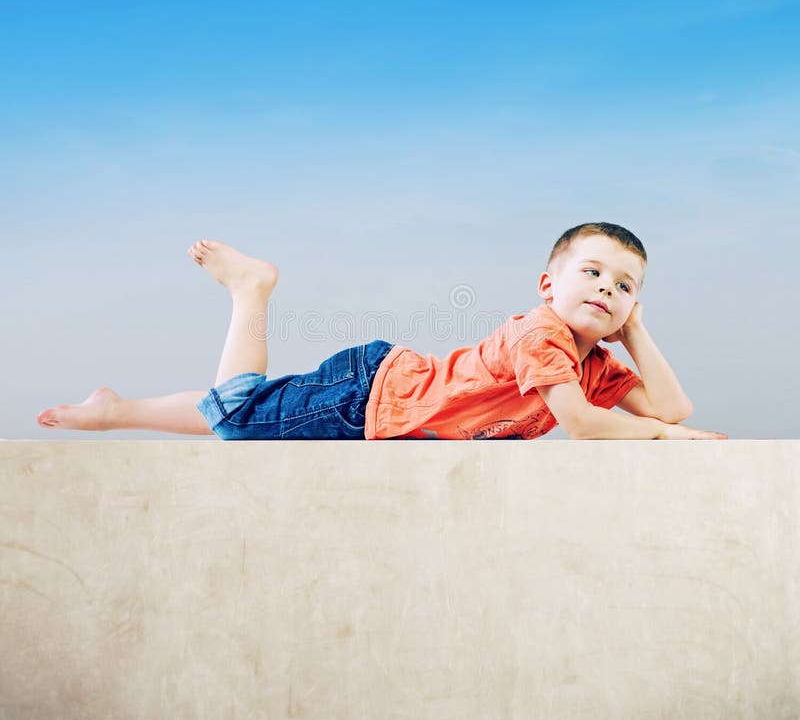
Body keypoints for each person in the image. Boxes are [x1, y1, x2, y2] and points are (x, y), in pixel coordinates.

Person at [37, 222, 727, 441]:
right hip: (368, 397)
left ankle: (117, 408)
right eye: (593, 273)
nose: (607, 288)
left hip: (382, 402)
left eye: (625, 285)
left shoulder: (596, 362)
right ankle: (251, 289)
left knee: (251, 406)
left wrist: (636, 333)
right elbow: (581, 422)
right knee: (240, 421)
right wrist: (668, 438)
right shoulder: (541, 334)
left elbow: (671, 409)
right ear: (550, 285)